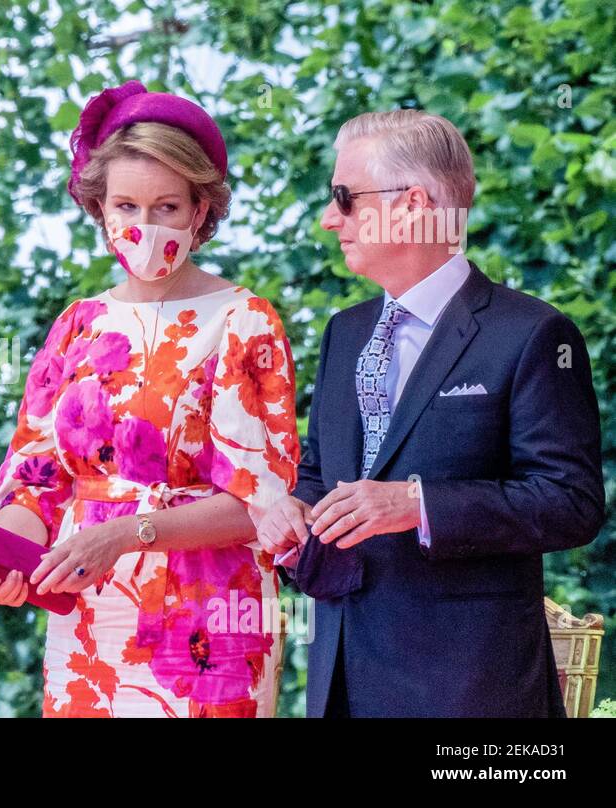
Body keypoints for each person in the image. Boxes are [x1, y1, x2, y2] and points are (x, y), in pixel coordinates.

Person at [256, 109, 605, 717]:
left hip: (469, 692)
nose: (329, 218)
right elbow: (322, 473)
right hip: (340, 677)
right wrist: (295, 514)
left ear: (414, 203)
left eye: (345, 197)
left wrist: (416, 504)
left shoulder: (533, 333)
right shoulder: (345, 332)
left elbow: (571, 503)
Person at [0, 81, 300, 718]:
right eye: (125, 206)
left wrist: (128, 533)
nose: (143, 227)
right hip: (87, 613)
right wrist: (6, 558)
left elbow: (257, 506)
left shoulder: (247, 321)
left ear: (202, 210)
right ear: (99, 208)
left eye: (166, 207)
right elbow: (33, 482)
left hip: (210, 619)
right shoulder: (77, 324)